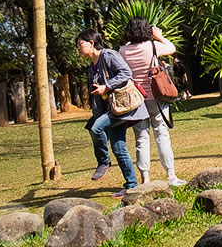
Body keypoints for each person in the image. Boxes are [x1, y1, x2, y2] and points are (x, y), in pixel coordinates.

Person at [75, 28, 146, 194]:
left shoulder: (108, 55)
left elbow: (126, 73)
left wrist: (106, 86)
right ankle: (131, 185)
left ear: (91, 42)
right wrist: (96, 114)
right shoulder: (91, 68)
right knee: (119, 147)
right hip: (112, 109)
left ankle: (103, 162)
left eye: (79, 43)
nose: (77, 47)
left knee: (96, 129)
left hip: (123, 106)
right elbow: (97, 96)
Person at [117, 18, 185, 187]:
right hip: (156, 97)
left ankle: (145, 178)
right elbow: (172, 48)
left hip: (136, 100)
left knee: (141, 138)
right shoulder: (152, 46)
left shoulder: (122, 50)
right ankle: (171, 175)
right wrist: (158, 36)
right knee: (161, 134)